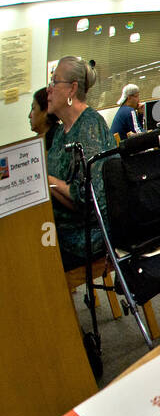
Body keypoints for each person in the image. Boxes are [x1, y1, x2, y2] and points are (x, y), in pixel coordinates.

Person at [45, 57, 116, 270]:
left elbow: (91, 200)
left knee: (30, 252)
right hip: (66, 225)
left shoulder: (90, 126)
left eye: (54, 82)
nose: (48, 90)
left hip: (89, 235)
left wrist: (48, 181)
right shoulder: (59, 132)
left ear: (71, 89)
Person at [29, 87, 58, 154]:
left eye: (33, 108)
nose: (29, 116)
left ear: (46, 111)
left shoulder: (56, 140)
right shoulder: (39, 141)